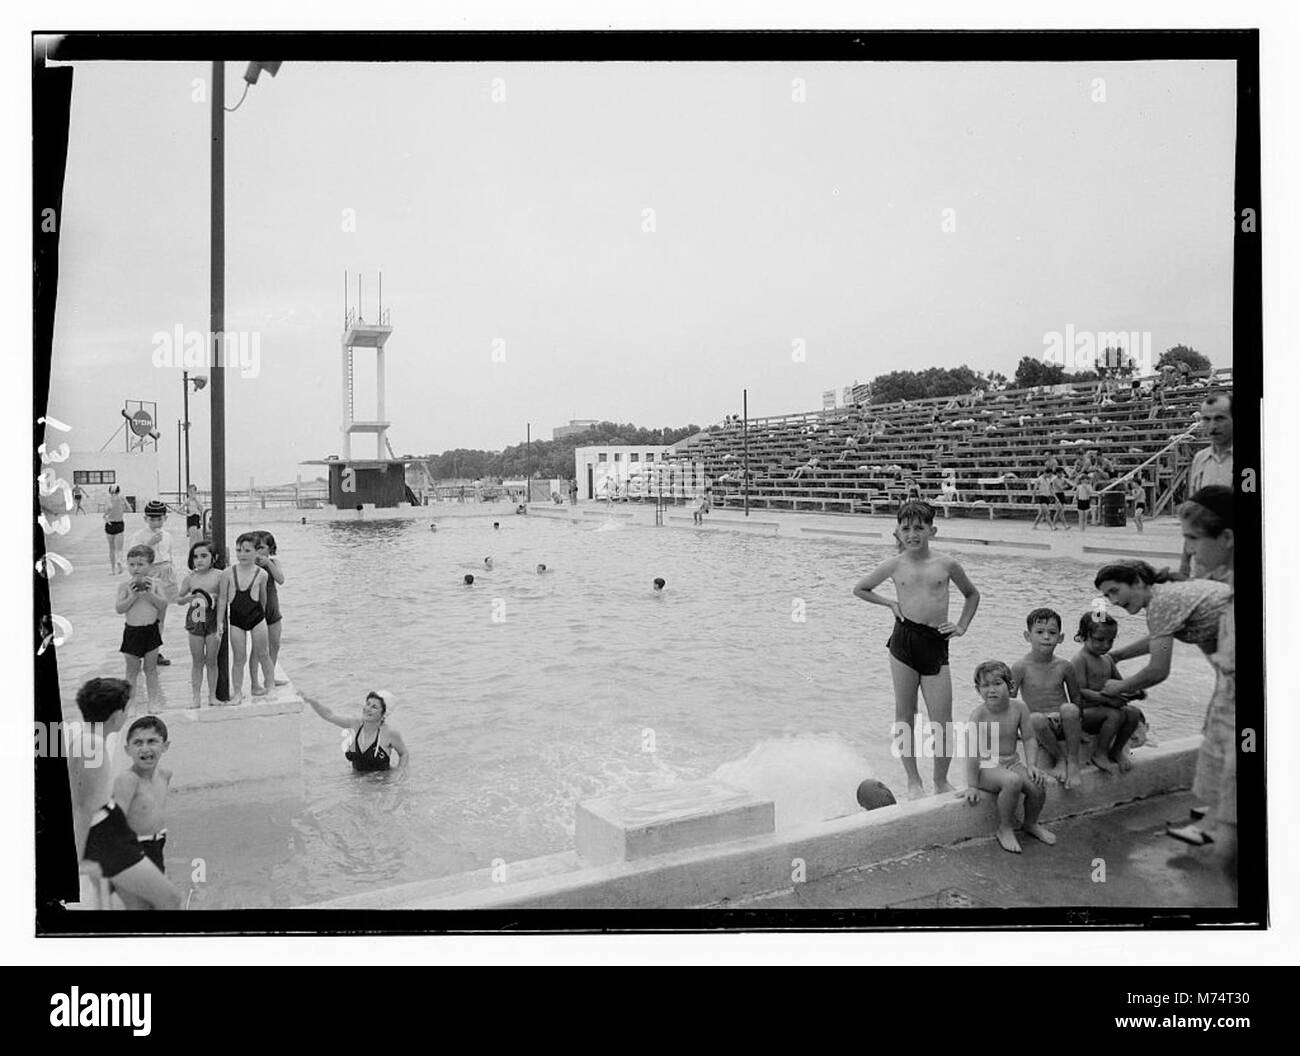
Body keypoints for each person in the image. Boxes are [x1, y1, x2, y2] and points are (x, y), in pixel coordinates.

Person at [853, 500, 981, 799]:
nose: (912, 534)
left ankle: (940, 780)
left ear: (932, 531)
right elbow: (860, 589)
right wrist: (889, 603)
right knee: (906, 714)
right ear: (897, 531)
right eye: (906, 528)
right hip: (904, 642)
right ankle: (913, 780)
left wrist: (961, 626)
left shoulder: (946, 564)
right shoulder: (894, 565)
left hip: (936, 643)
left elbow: (972, 595)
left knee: (942, 719)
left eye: (919, 528)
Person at [70, 678, 182, 910]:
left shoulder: (86, 740)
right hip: (105, 838)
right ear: (115, 716)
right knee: (170, 899)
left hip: (109, 835)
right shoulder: (94, 748)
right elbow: (82, 807)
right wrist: (81, 859)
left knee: (141, 907)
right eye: (125, 709)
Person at [1095, 561, 1231, 701]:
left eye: (1114, 591)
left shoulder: (1160, 604)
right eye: (1107, 596)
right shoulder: (1164, 593)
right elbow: (1159, 639)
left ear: (1137, 582)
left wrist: (1121, 686)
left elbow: (1158, 671)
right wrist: (1117, 656)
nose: (1113, 601)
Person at [959, 661, 1055, 853]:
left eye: (997, 684)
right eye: (985, 686)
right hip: (986, 767)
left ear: (1010, 686)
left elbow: (1028, 738)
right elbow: (971, 753)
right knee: (1012, 781)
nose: (991, 690)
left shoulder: (1019, 708)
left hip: (1012, 761)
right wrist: (971, 785)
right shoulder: (978, 716)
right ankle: (1005, 828)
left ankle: (1030, 823)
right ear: (978, 690)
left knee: (1037, 785)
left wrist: (1032, 765)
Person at [1013, 608, 1084, 788]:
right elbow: (1010, 702)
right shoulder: (1021, 667)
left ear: (1060, 638)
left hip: (1063, 722)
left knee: (1070, 708)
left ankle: (1073, 762)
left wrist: (1080, 725)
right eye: (1039, 632)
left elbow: (1076, 696)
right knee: (1034, 718)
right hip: (1040, 726)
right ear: (1027, 636)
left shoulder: (1064, 666)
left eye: (1052, 633)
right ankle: (1060, 758)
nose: (1046, 637)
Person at [1070, 611, 1144, 773]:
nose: (1106, 645)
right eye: (1100, 640)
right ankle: (1100, 753)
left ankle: (1116, 750)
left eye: (1110, 640)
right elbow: (1081, 691)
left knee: (1133, 713)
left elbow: (1120, 684)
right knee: (1114, 715)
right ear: (1083, 636)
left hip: (1104, 708)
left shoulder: (1107, 660)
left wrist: (1135, 691)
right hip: (1086, 712)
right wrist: (1107, 700)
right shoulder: (1080, 659)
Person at [219, 532, 275, 704]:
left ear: (256, 552)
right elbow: (222, 599)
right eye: (238, 550)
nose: (242, 554)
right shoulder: (228, 573)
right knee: (239, 657)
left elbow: (264, 599)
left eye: (247, 551)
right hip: (236, 620)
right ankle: (237, 692)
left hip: (257, 618)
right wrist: (220, 621)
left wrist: (263, 619)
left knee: (264, 654)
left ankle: (270, 687)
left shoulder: (262, 574)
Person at [114, 716, 173, 879]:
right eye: (138, 743)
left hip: (158, 842)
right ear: (127, 750)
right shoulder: (127, 780)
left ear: (165, 746)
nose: (145, 749)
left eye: (152, 741)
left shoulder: (165, 775)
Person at [302, 689, 409, 772]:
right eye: (368, 704)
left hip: (380, 788)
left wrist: (400, 772)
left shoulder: (390, 734)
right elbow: (329, 715)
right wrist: (312, 701)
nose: (367, 709)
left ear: (383, 714)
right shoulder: (354, 725)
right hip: (356, 788)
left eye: (374, 707)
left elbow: (404, 753)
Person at [115, 544, 167, 709]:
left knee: (151, 670)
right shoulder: (125, 586)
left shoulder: (156, 584)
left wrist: (151, 594)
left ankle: (153, 702)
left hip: (150, 631)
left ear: (150, 566)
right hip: (132, 631)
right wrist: (133, 596)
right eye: (132, 564)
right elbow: (119, 608)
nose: (136, 568)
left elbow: (163, 605)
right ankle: (129, 705)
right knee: (131, 671)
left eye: (140, 564)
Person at [128, 500, 179, 665]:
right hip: (149, 574)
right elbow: (134, 557)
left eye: (159, 519)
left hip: (166, 574)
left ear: (165, 518)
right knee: (146, 615)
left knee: (161, 616)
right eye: (152, 519)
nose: (156, 523)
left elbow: (169, 554)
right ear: (145, 519)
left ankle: (155, 650)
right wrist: (149, 544)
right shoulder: (139, 536)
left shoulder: (168, 535)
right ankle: (143, 649)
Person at [176, 539, 223, 708]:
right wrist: (188, 598)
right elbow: (178, 599)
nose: (199, 560)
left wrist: (214, 598)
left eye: (204, 556)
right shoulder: (190, 578)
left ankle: (212, 696)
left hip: (212, 618)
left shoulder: (219, 575)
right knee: (197, 661)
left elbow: (225, 597)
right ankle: (196, 697)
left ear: (213, 557)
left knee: (211, 660)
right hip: (196, 617)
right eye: (196, 557)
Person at [253, 532, 287, 689]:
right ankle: (255, 682)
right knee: (257, 648)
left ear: (270, 549)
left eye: (261, 548)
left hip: (273, 609)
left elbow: (280, 579)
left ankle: (270, 677)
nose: (258, 552)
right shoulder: (249, 565)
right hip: (256, 611)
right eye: (255, 548)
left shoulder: (274, 562)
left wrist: (268, 563)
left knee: (275, 644)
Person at [103, 484, 127, 573]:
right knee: (119, 549)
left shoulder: (107, 499)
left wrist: (107, 517)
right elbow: (130, 508)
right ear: (119, 491)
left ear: (109, 491)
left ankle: (113, 569)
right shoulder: (121, 498)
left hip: (109, 524)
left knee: (111, 548)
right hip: (119, 523)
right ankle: (119, 563)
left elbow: (105, 513)